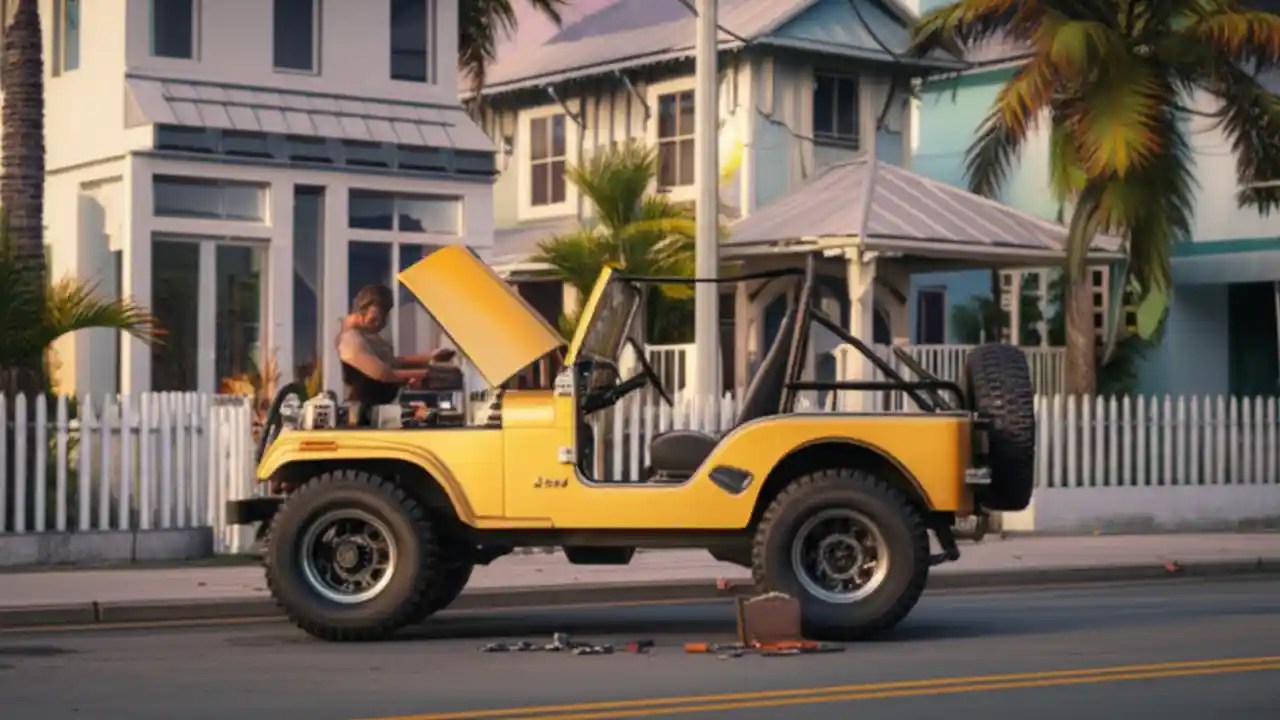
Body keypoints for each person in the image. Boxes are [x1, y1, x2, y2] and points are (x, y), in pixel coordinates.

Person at [336, 284, 455, 410]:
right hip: (363, 413)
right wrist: (433, 375)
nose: (383, 323)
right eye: (380, 317)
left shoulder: (366, 333)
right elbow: (383, 373)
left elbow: (392, 361)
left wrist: (430, 358)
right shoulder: (349, 338)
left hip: (381, 408)